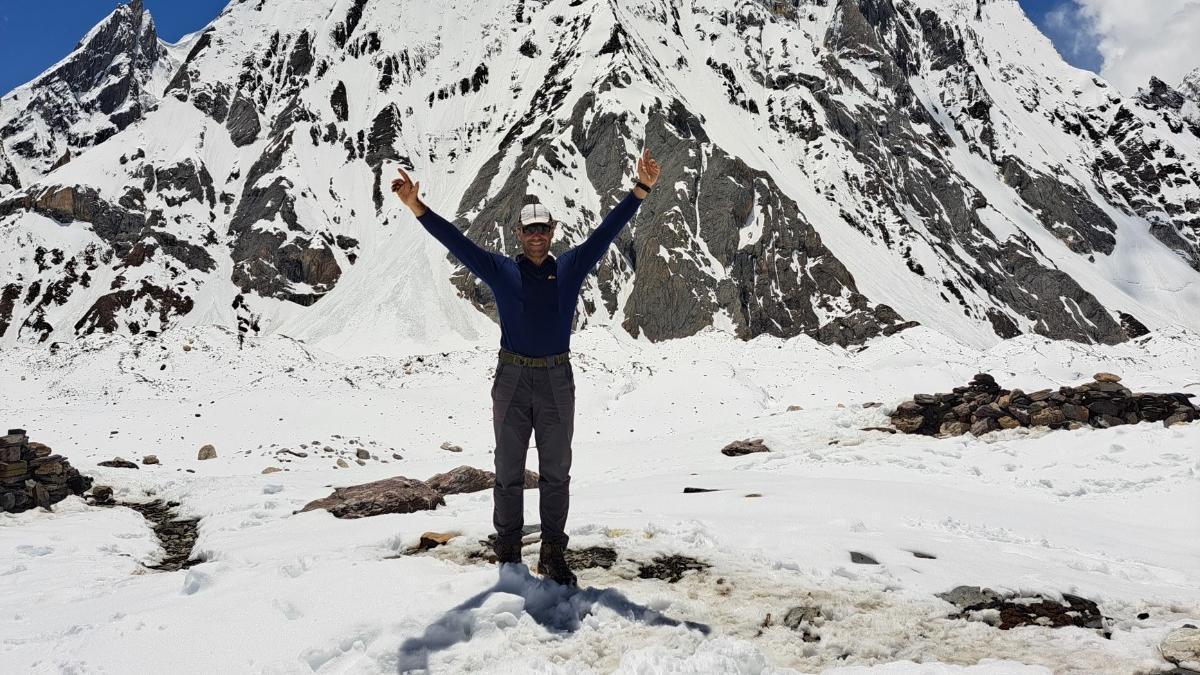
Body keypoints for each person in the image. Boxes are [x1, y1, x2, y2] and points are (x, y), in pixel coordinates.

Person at [392, 149, 661, 585]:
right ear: (518, 233)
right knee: (508, 469)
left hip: (557, 377)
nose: (536, 235)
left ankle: (554, 551)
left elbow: (606, 233)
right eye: (529, 229)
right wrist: (416, 207)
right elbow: (456, 242)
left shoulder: (571, 268)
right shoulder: (501, 270)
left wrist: (641, 189)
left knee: (556, 472)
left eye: (543, 228)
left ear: (552, 232)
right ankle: (509, 549)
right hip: (512, 378)